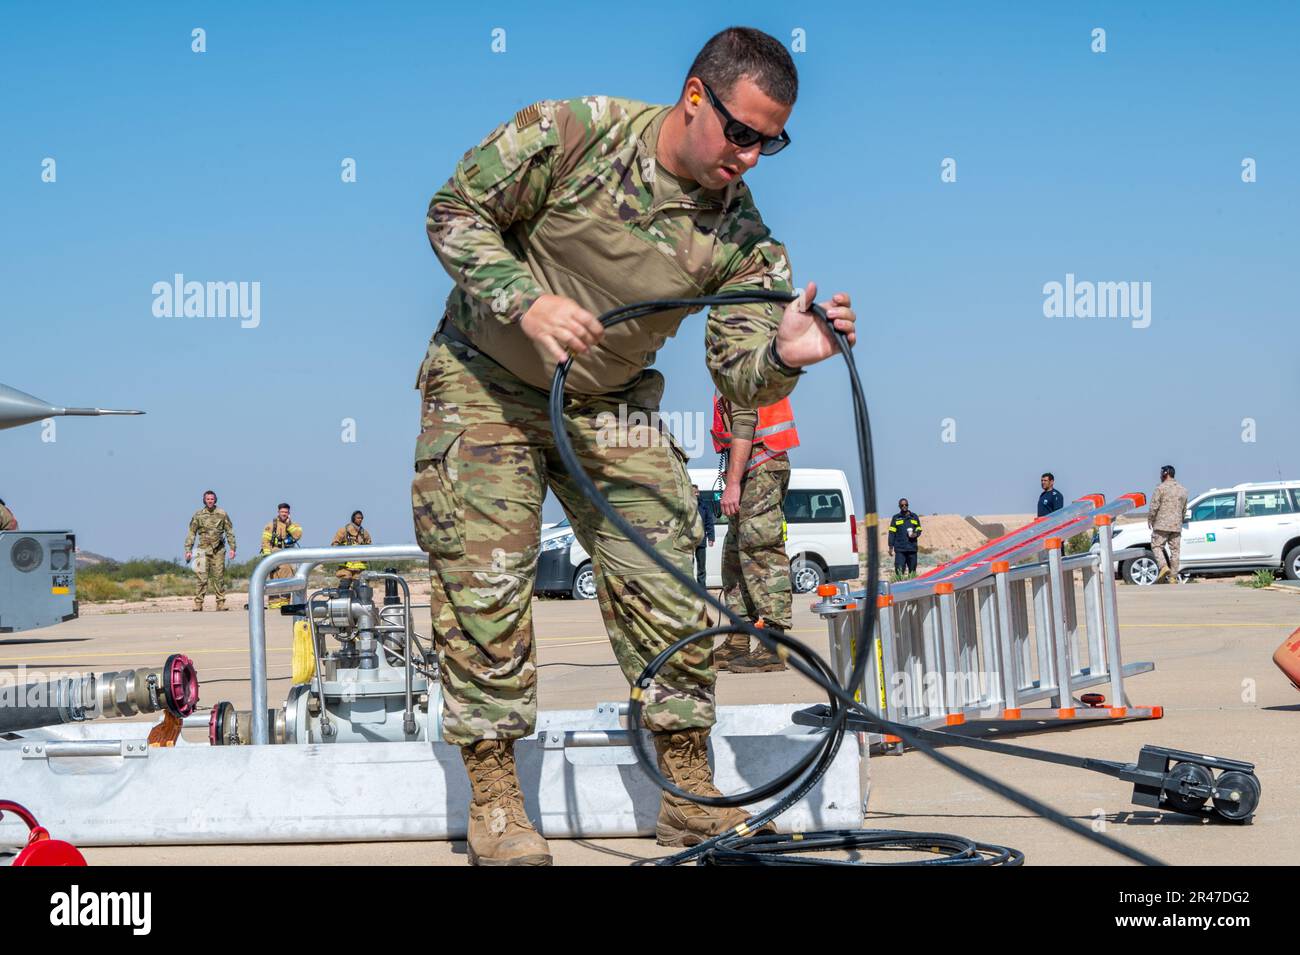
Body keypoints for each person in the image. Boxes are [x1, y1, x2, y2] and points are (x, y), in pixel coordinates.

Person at [412, 26, 857, 865]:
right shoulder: (573, 130)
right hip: (485, 381)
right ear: (696, 97)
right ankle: (499, 804)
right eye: (743, 133)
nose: (753, 157)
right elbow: (453, 211)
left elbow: (739, 371)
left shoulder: (743, 238)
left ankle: (686, 789)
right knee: (487, 583)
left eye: (773, 141)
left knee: (665, 558)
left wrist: (786, 357)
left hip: (608, 404)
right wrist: (526, 301)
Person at [711, 393, 799, 673]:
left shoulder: (739, 364)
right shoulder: (730, 364)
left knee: (761, 553)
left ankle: (773, 645)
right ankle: (739, 638)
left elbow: (744, 425)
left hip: (761, 464)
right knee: (735, 556)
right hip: (753, 465)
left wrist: (733, 483)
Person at [184, 490, 236, 612]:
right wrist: (188, 549)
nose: (210, 501)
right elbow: (192, 533)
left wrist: (233, 548)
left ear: (215, 500)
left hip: (218, 550)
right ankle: (198, 603)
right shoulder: (198, 515)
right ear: (204, 500)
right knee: (201, 578)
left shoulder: (222, 514)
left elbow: (229, 531)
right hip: (201, 550)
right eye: (208, 499)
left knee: (218, 577)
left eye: (212, 499)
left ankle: (220, 603)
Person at [1148, 464, 1189, 584]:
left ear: (1165, 474)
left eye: (1161, 473)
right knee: (1175, 551)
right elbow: (1184, 509)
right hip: (1176, 525)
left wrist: (1150, 519)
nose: (1160, 476)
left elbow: (1154, 506)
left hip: (1161, 524)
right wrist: (1179, 521)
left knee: (1156, 546)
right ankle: (1173, 577)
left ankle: (1163, 567)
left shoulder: (1160, 488)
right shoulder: (1183, 490)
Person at [260, 503, 303, 609]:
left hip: (287, 552)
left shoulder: (292, 525)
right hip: (274, 551)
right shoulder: (271, 525)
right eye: (282, 512)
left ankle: (284, 603)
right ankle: (274, 603)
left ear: (289, 513)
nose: (284, 514)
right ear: (278, 512)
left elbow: (298, 535)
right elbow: (265, 541)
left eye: (286, 512)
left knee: (288, 575)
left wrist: (289, 525)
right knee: (274, 577)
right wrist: (267, 557)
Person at [331, 510, 372, 584]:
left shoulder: (364, 533)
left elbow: (370, 548)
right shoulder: (343, 531)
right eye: (358, 518)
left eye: (361, 518)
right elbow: (334, 544)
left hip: (359, 570)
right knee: (344, 588)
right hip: (345, 568)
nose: (360, 520)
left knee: (360, 590)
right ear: (353, 519)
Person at [888, 498, 922, 575]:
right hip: (900, 550)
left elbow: (919, 528)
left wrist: (915, 534)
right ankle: (899, 584)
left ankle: (912, 586)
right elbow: (891, 533)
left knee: (912, 572)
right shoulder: (896, 518)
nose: (904, 506)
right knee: (899, 571)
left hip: (912, 549)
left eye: (906, 505)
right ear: (899, 506)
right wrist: (890, 547)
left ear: (908, 505)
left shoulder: (914, 516)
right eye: (902, 505)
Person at [693, 486, 715, 591]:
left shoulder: (704, 506)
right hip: (688, 541)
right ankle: (690, 588)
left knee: (701, 567)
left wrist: (711, 537)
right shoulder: (685, 506)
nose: (696, 494)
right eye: (694, 492)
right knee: (688, 565)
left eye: (697, 492)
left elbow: (709, 523)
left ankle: (702, 589)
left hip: (701, 540)